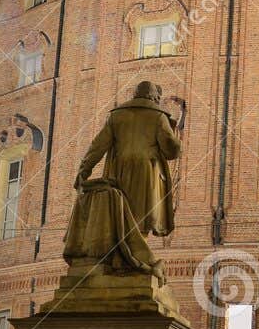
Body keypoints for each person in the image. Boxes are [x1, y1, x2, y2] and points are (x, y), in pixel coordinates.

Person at [63, 81, 181, 279]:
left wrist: (84, 171)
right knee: (140, 220)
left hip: (119, 172)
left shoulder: (117, 116)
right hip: (147, 175)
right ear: (154, 97)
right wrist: (174, 130)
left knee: (118, 216)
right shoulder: (158, 117)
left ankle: (121, 260)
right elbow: (171, 150)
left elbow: (98, 146)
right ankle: (136, 263)